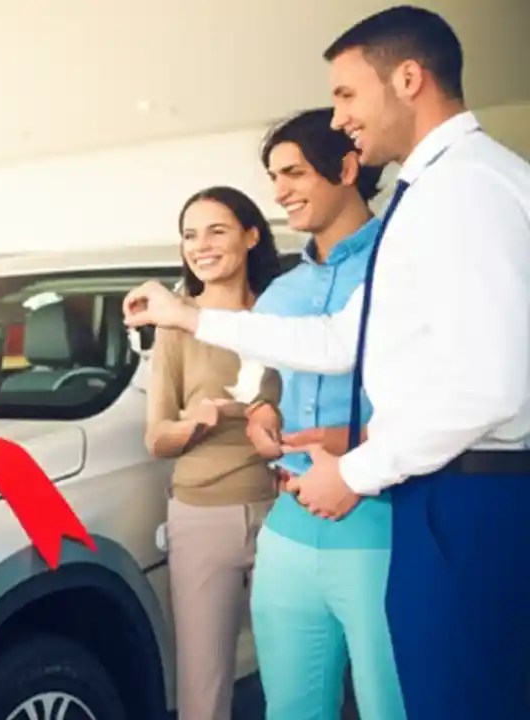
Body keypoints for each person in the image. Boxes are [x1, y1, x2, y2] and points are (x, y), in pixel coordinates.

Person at [122, 7, 530, 719]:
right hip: (435, 493)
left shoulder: (466, 189)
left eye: (345, 94)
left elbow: (492, 386)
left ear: (409, 79)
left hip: (467, 498)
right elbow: (341, 340)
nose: (339, 117)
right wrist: (185, 315)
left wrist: (355, 472)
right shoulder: (430, 194)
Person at [243, 108, 405, 720]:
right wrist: (261, 407)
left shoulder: (403, 266)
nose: (279, 192)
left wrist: (355, 438)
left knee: (394, 707)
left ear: (347, 168)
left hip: (383, 523)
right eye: (274, 177)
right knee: (290, 709)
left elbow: (447, 394)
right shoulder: (281, 292)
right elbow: (264, 375)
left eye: (294, 173)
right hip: (288, 525)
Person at [145, 186, 282, 720]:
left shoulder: (282, 315)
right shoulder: (176, 327)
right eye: (190, 235)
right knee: (204, 690)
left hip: (287, 511)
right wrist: (197, 423)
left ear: (251, 236)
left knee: (299, 678)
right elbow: (156, 438)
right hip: (203, 516)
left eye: (216, 230)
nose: (201, 245)